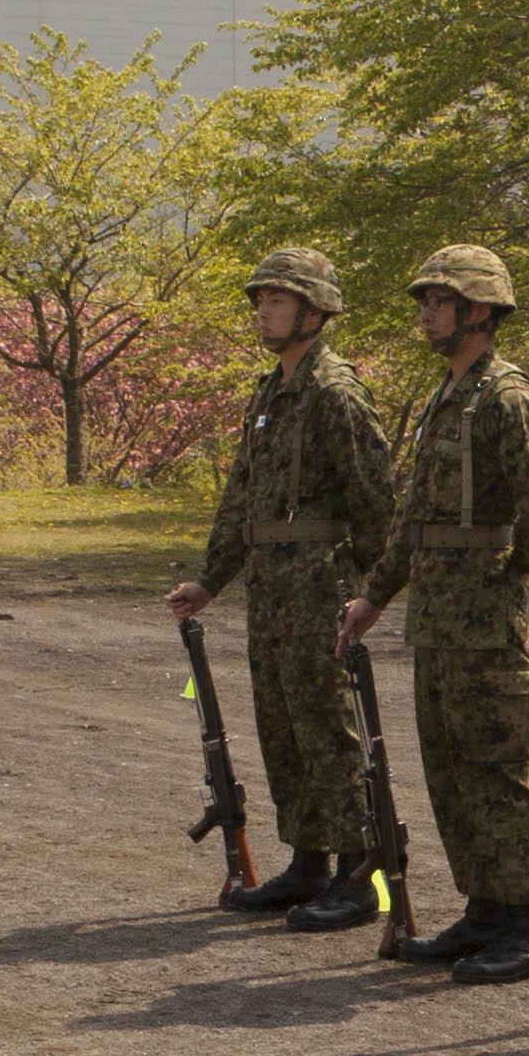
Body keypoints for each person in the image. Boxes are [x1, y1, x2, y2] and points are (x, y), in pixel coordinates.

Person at [341, 244, 529, 984]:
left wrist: (505, 570)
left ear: (478, 310)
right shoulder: (449, 396)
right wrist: (378, 593)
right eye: (425, 302)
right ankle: (485, 907)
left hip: (481, 616)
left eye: (439, 301)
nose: (426, 313)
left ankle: (525, 921)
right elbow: (414, 518)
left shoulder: (505, 397)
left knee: (497, 765)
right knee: (448, 765)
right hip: (437, 621)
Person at [163, 246, 390, 922]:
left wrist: (373, 592)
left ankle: (358, 871)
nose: (264, 311)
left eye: (279, 301)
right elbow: (242, 498)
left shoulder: (336, 393)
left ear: (315, 312)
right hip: (271, 587)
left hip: (320, 584)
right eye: (261, 300)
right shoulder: (269, 393)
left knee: (326, 726)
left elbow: (375, 500)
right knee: (281, 724)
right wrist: (211, 578)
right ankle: (307, 859)